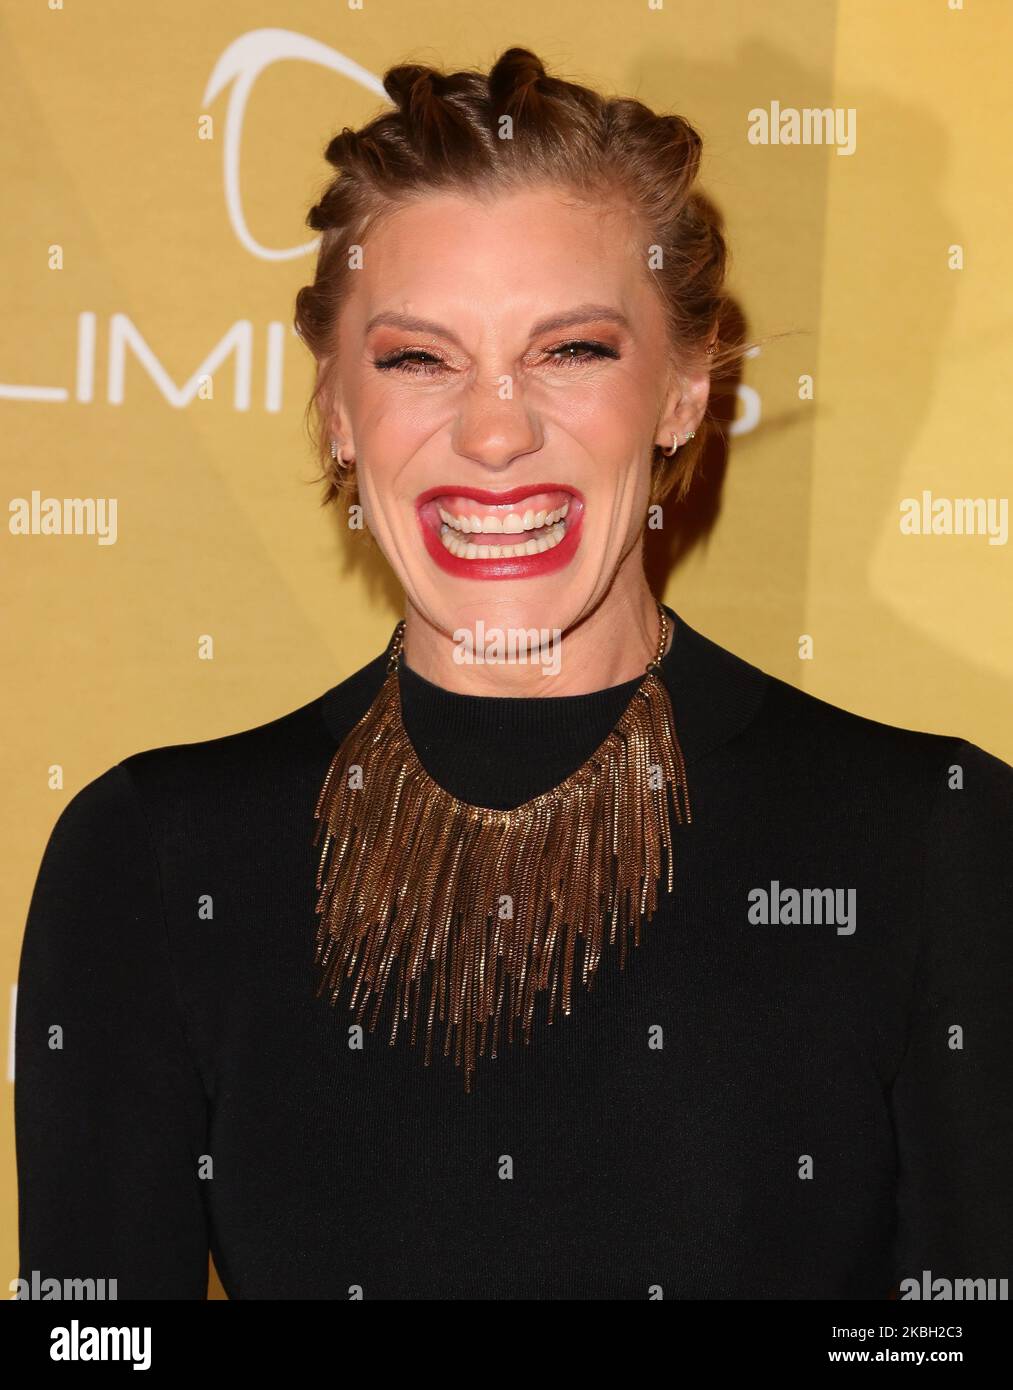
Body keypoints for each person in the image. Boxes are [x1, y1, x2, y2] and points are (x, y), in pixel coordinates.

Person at [15, 46, 1012, 1300]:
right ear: (333, 405)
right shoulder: (153, 858)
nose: (493, 431)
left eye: (572, 351)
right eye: (417, 359)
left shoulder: (927, 836)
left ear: (684, 390)